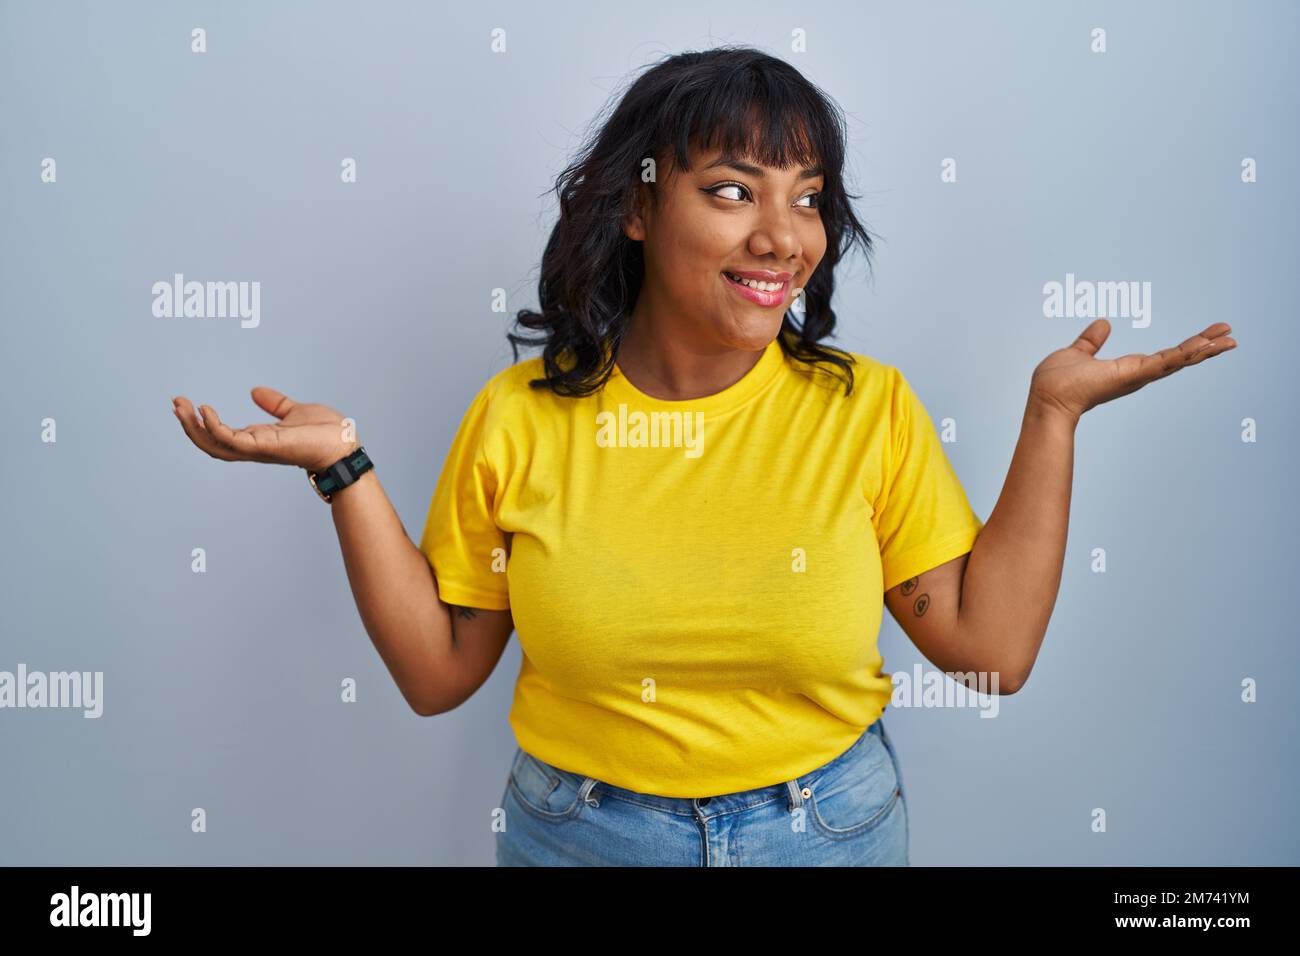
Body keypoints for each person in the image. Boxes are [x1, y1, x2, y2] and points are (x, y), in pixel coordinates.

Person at [170, 46, 1237, 866]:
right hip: (577, 837)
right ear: (637, 206)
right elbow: (438, 671)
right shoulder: (520, 418)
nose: (783, 234)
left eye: (807, 194)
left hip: (828, 833)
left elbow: (987, 653)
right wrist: (343, 469)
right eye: (733, 190)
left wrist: (1050, 417)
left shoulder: (862, 409)